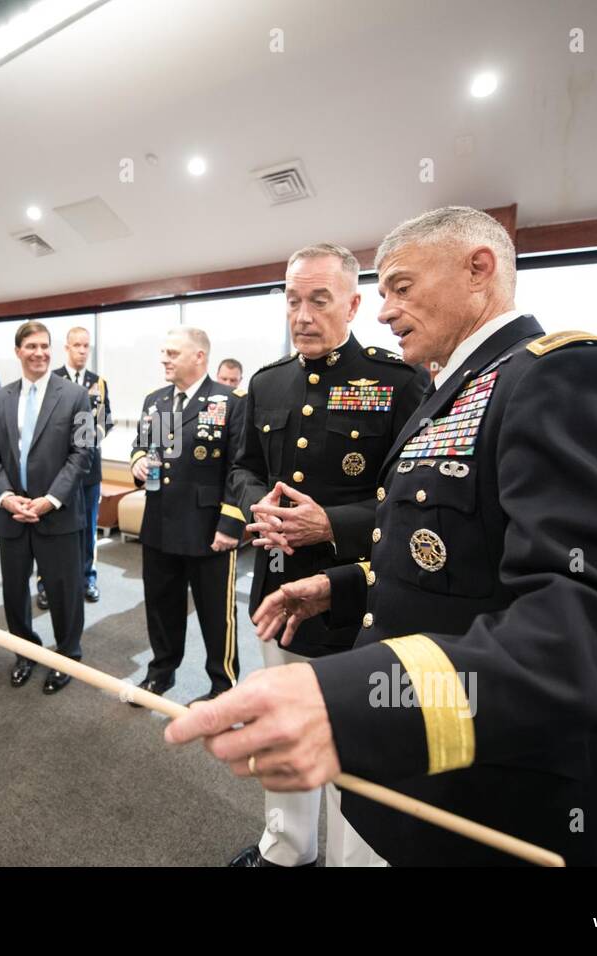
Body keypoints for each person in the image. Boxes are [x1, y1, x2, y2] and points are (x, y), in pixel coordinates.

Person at [166, 206, 597, 867]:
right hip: (444, 784)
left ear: (479, 269)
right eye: (382, 292)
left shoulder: (564, 376)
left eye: (401, 287)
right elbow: (452, 563)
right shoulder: (459, 391)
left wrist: (365, 698)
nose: (385, 311)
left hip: (513, 797)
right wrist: (343, 585)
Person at [222, 242, 428, 868]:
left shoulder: (398, 382)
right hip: (277, 585)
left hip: (357, 594)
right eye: (293, 300)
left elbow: (413, 498)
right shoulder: (266, 383)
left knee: (351, 739)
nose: (303, 314)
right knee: (285, 724)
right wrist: (260, 506)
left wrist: (329, 524)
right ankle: (286, 849)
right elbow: (242, 468)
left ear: (353, 303)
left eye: (319, 299)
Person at [128, 327, 246, 706]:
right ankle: (161, 673)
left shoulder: (229, 401)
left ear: (199, 357)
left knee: (215, 613)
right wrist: (139, 461)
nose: (164, 358)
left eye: (173, 353)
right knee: (162, 605)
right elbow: (144, 446)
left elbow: (240, 469)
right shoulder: (157, 400)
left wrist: (231, 524)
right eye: (163, 351)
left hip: (208, 528)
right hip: (160, 522)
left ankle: (223, 686)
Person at [0, 321, 93, 695]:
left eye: (45, 346)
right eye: (31, 346)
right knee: (14, 592)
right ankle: (25, 653)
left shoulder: (76, 396)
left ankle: (67, 656)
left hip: (57, 514)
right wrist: (5, 496)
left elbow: (82, 454)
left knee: (64, 591)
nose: (39, 352)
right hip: (11, 514)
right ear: (18, 351)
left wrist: (50, 500)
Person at [39, 326, 112, 607]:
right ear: (66, 348)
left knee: (87, 527)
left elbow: (106, 419)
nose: (82, 350)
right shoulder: (51, 379)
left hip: (90, 470)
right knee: (52, 528)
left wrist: (90, 441)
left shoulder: (98, 383)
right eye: (77, 345)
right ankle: (46, 581)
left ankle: (86, 577)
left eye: (86, 346)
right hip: (57, 471)